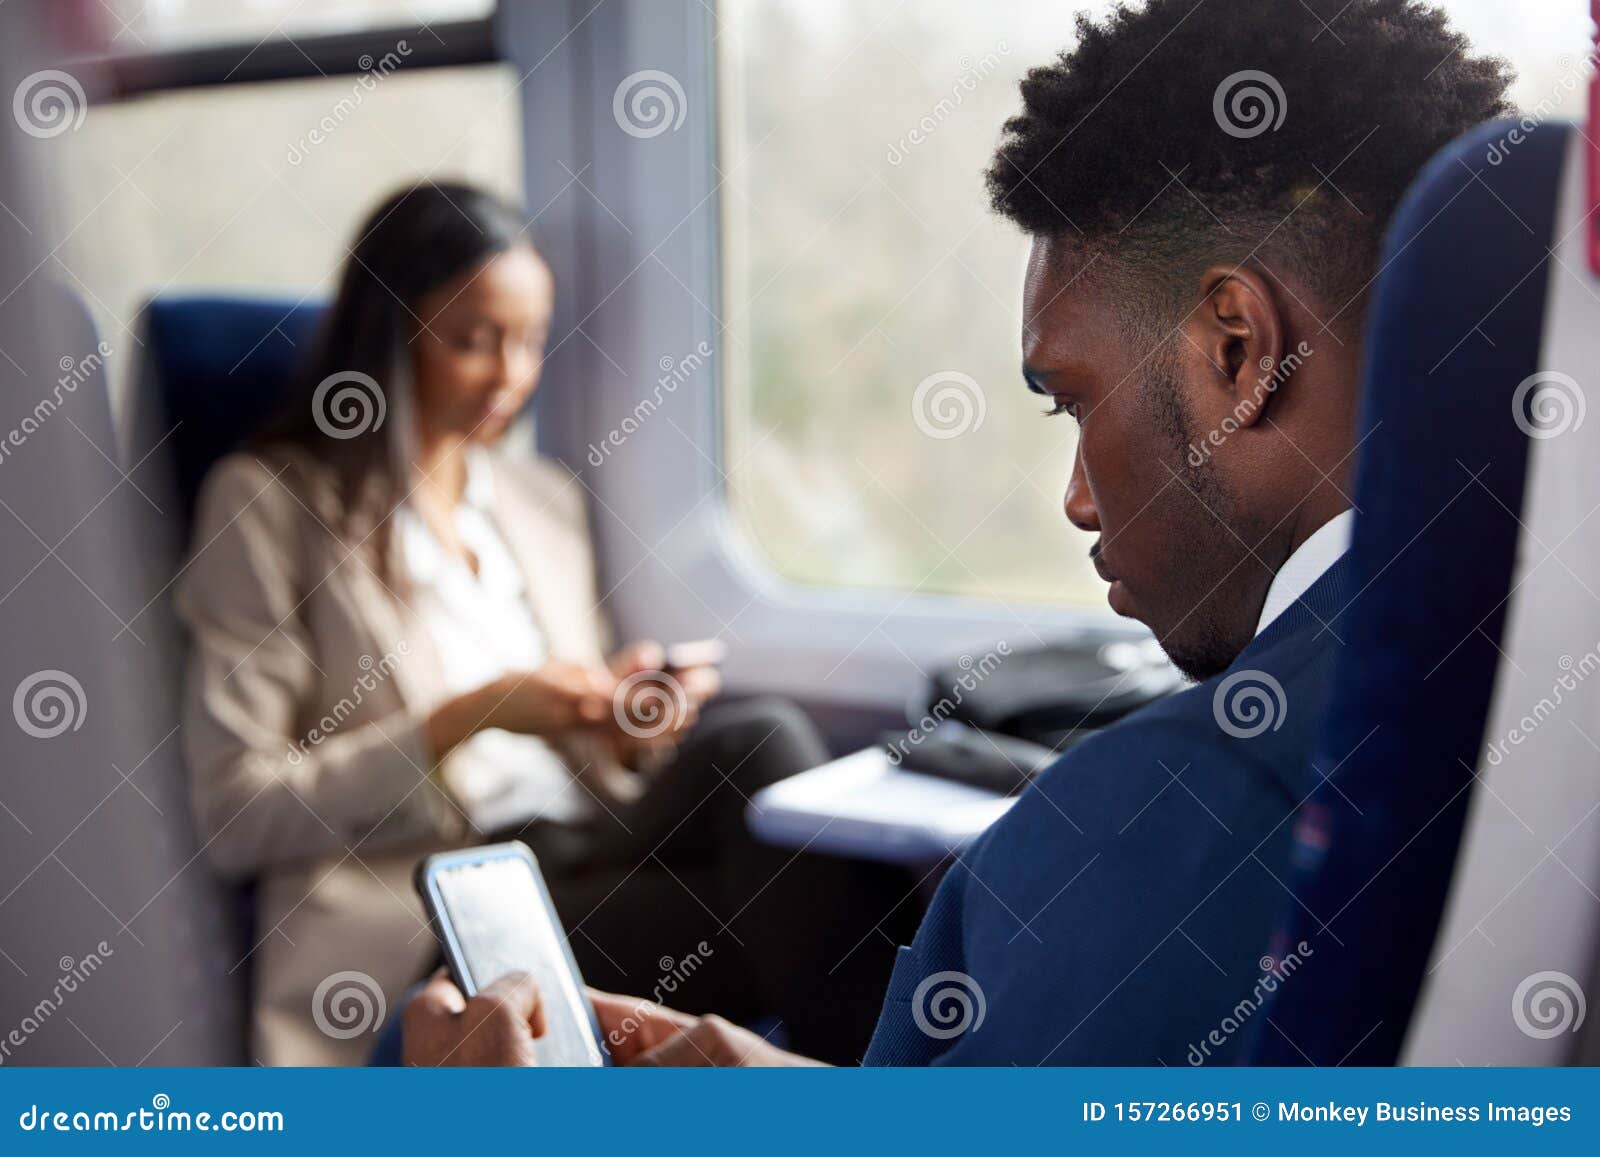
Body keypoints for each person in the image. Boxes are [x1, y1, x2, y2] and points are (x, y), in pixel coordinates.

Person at [399, 0, 1511, 1066]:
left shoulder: (1145, 824)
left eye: (1073, 400)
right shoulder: (1521, 659)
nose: (1077, 498)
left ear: (1234, 350)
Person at [176, 182, 911, 1066]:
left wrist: (624, 718)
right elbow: (235, 813)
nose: (510, 376)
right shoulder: (270, 507)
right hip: (436, 903)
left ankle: (888, 1093)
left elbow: (592, 766)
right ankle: (906, 1097)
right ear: (389, 333)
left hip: (579, 846)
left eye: (529, 342)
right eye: (472, 340)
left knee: (760, 749)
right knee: (786, 889)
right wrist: (470, 714)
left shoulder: (540, 500)